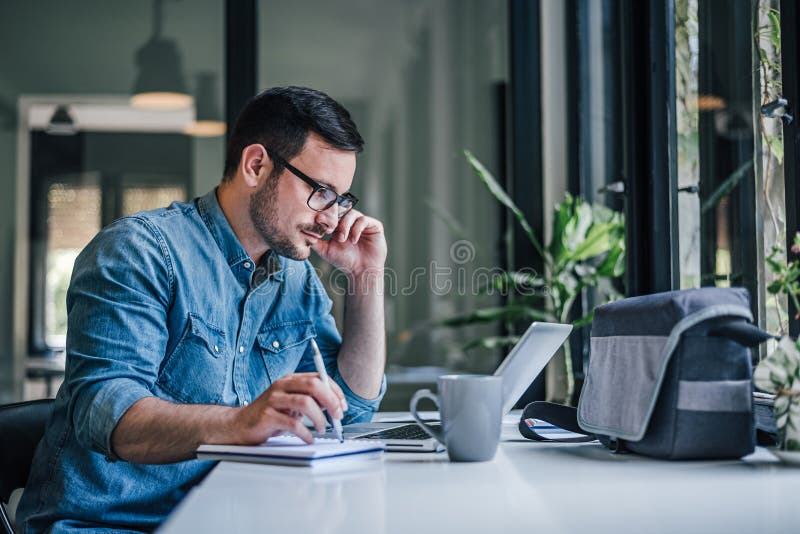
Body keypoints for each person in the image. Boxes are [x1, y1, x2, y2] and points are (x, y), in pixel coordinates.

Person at [17, 86, 387, 533]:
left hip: (225, 519)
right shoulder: (139, 251)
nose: (330, 218)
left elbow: (351, 409)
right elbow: (106, 412)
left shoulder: (296, 279)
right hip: (111, 525)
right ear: (256, 165)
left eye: (341, 199)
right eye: (322, 192)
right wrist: (242, 422)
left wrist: (366, 276)